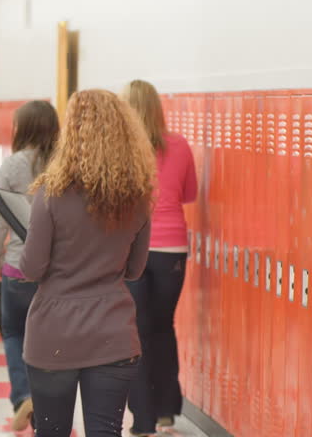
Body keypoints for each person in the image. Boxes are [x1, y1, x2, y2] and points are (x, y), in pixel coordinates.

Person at [20, 89, 155, 437]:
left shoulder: (51, 193)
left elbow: (32, 268)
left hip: (54, 333)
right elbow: (135, 270)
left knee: (51, 431)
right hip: (113, 332)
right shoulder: (138, 197)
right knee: (106, 431)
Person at [122, 80, 197, 435]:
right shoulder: (180, 145)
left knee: (137, 332)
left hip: (132, 247)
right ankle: (167, 411)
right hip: (172, 249)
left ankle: (143, 418)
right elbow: (189, 194)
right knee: (163, 326)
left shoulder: (120, 147)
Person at [0, 101, 59, 431]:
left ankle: (22, 397)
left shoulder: (13, 165)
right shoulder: (64, 163)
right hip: (55, 272)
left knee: (14, 333)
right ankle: (49, 402)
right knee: (50, 340)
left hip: (17, 268)